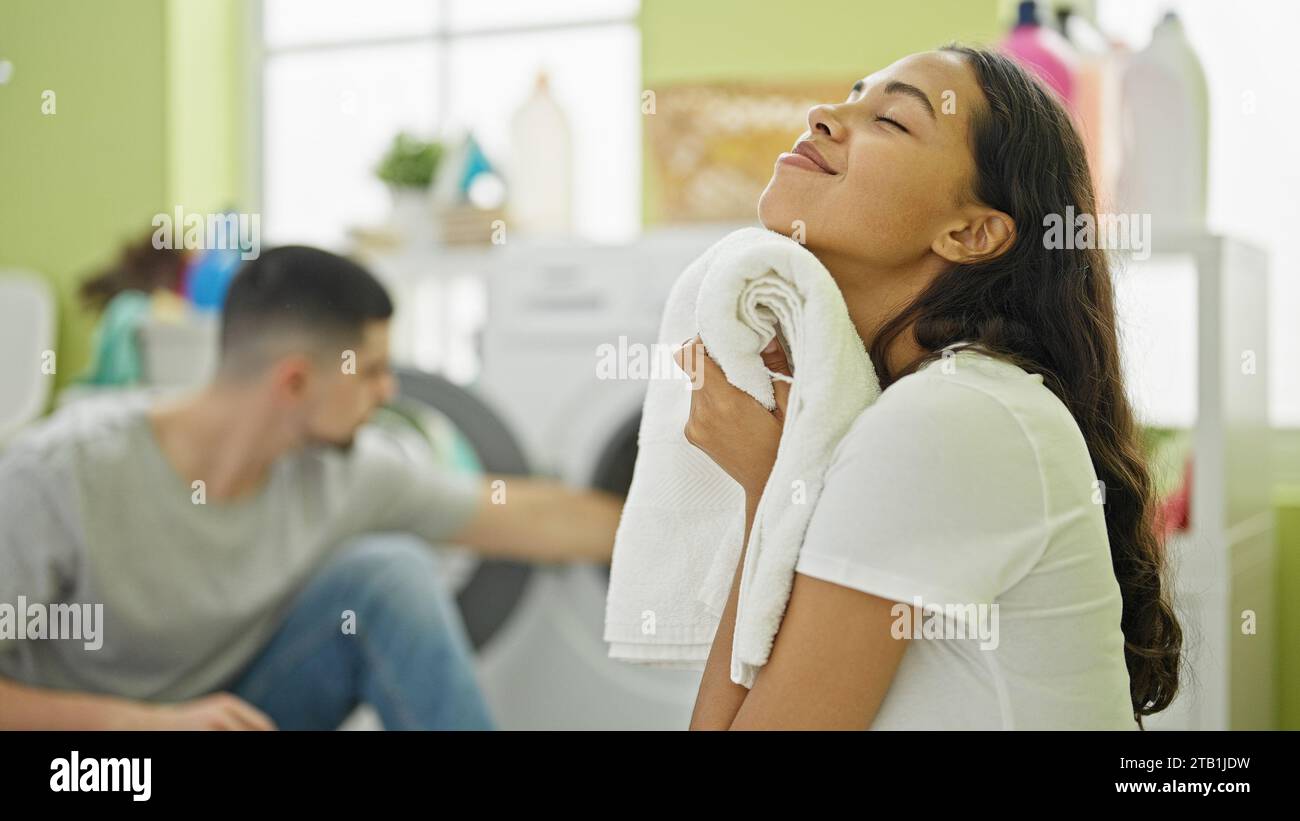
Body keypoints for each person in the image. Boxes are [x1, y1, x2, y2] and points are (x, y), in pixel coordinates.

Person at [679, 46, 1182, 729]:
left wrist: (771, 488)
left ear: (973, 232)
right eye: (850, 94)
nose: (824, 115)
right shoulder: (934, 402)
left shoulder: (950, 415)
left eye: (889, 119)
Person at [0, 246, 623, 730]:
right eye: (372, 372)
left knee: (390, 573)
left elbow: (526, 515)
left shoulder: (345, 471)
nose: (389, 393)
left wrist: (702, 536)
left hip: (238, 714)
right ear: (295, 382)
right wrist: (145, 724)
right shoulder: (58, 474)